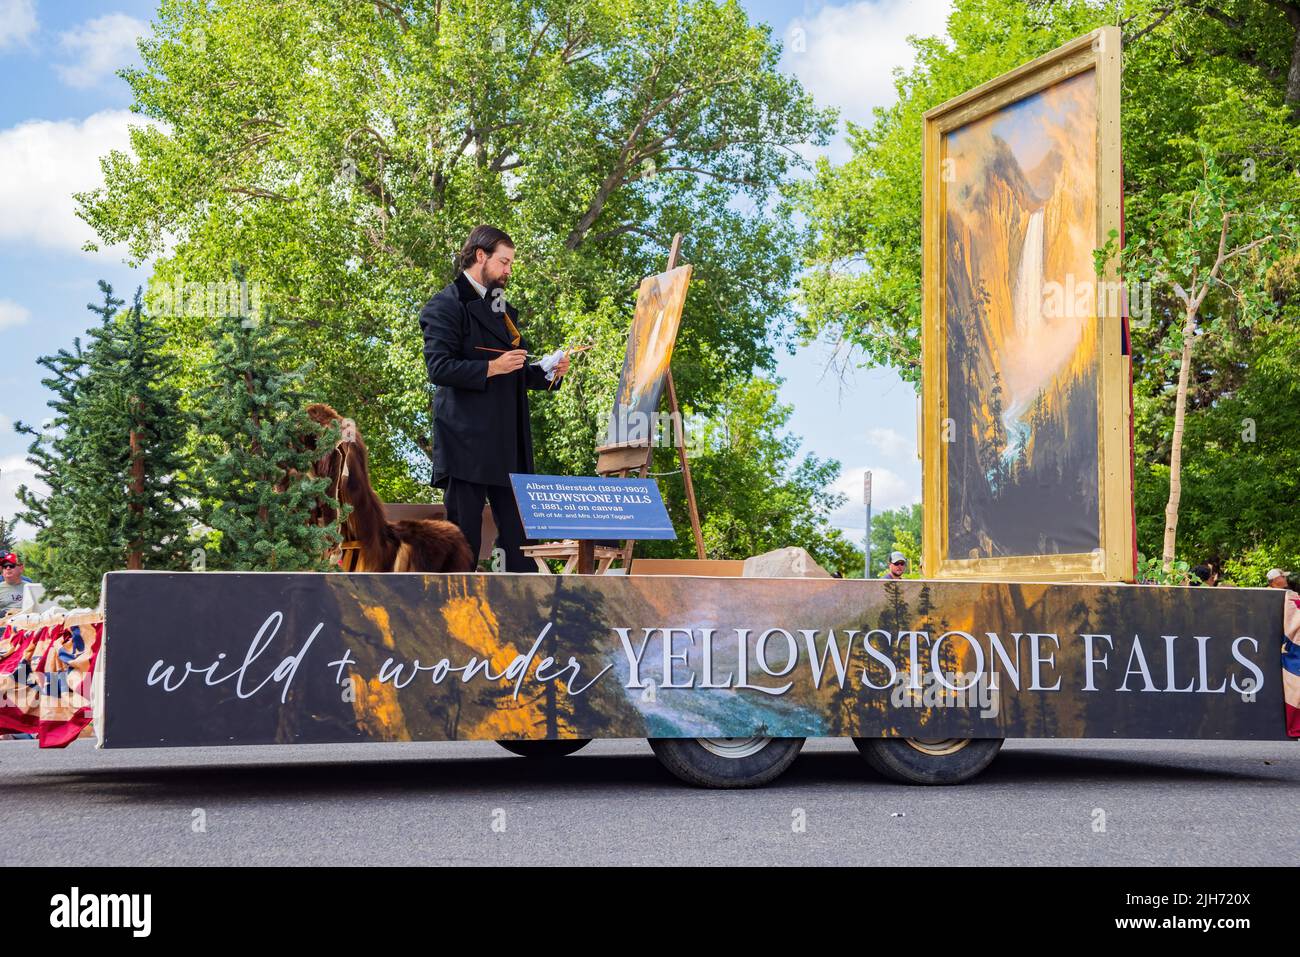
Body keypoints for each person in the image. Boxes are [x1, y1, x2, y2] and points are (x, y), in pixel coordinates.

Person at [419, 226, 570, 572]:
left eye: (511, 264)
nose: (508, 271)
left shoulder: (502, 308)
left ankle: (524, 620)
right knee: (462, 545)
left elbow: (511, 371)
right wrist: (492, 367)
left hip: (508, 446)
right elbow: (439, 368)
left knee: (522, 546)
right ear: (480, 256)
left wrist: (547, 372)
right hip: (465, 446)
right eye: (504, 262)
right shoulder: (444, 305)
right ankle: (456, 617)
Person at [0, 552, 33, 616]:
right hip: (6, 622)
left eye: (11, 565)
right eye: (5, 566)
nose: (8, 568)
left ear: (21, 568)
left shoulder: (31, 587)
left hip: (28, 620)